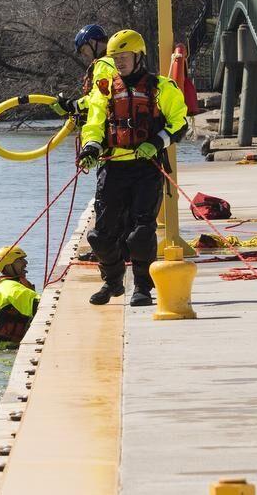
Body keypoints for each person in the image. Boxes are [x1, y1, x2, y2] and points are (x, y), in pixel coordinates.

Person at [77, 29, 189, 307]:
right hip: (113, 168)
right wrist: (91, 147)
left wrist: (156, 142)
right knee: (100, 237)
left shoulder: (161, 87)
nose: (120, 63)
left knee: (141, 233)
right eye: (115, 58)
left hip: (145, 168)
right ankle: (113, 281)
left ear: (138, 56)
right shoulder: (104, 90)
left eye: (124, 57)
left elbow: (179, 122)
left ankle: (142, 287)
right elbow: (94, 122)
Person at [0, 245, 41, 349]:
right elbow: (39, 305)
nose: (26, 263)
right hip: (8, 350)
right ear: (8, 265)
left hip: (1, 349)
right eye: (20, 260)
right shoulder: (10, 287)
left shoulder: (5, 284)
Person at [52, 24, 119, 118]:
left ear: (92, 42)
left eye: (83, 49)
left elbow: (99, 98)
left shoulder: (104, 64)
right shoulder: (114, 60)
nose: (84, 55)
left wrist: (73, 105)